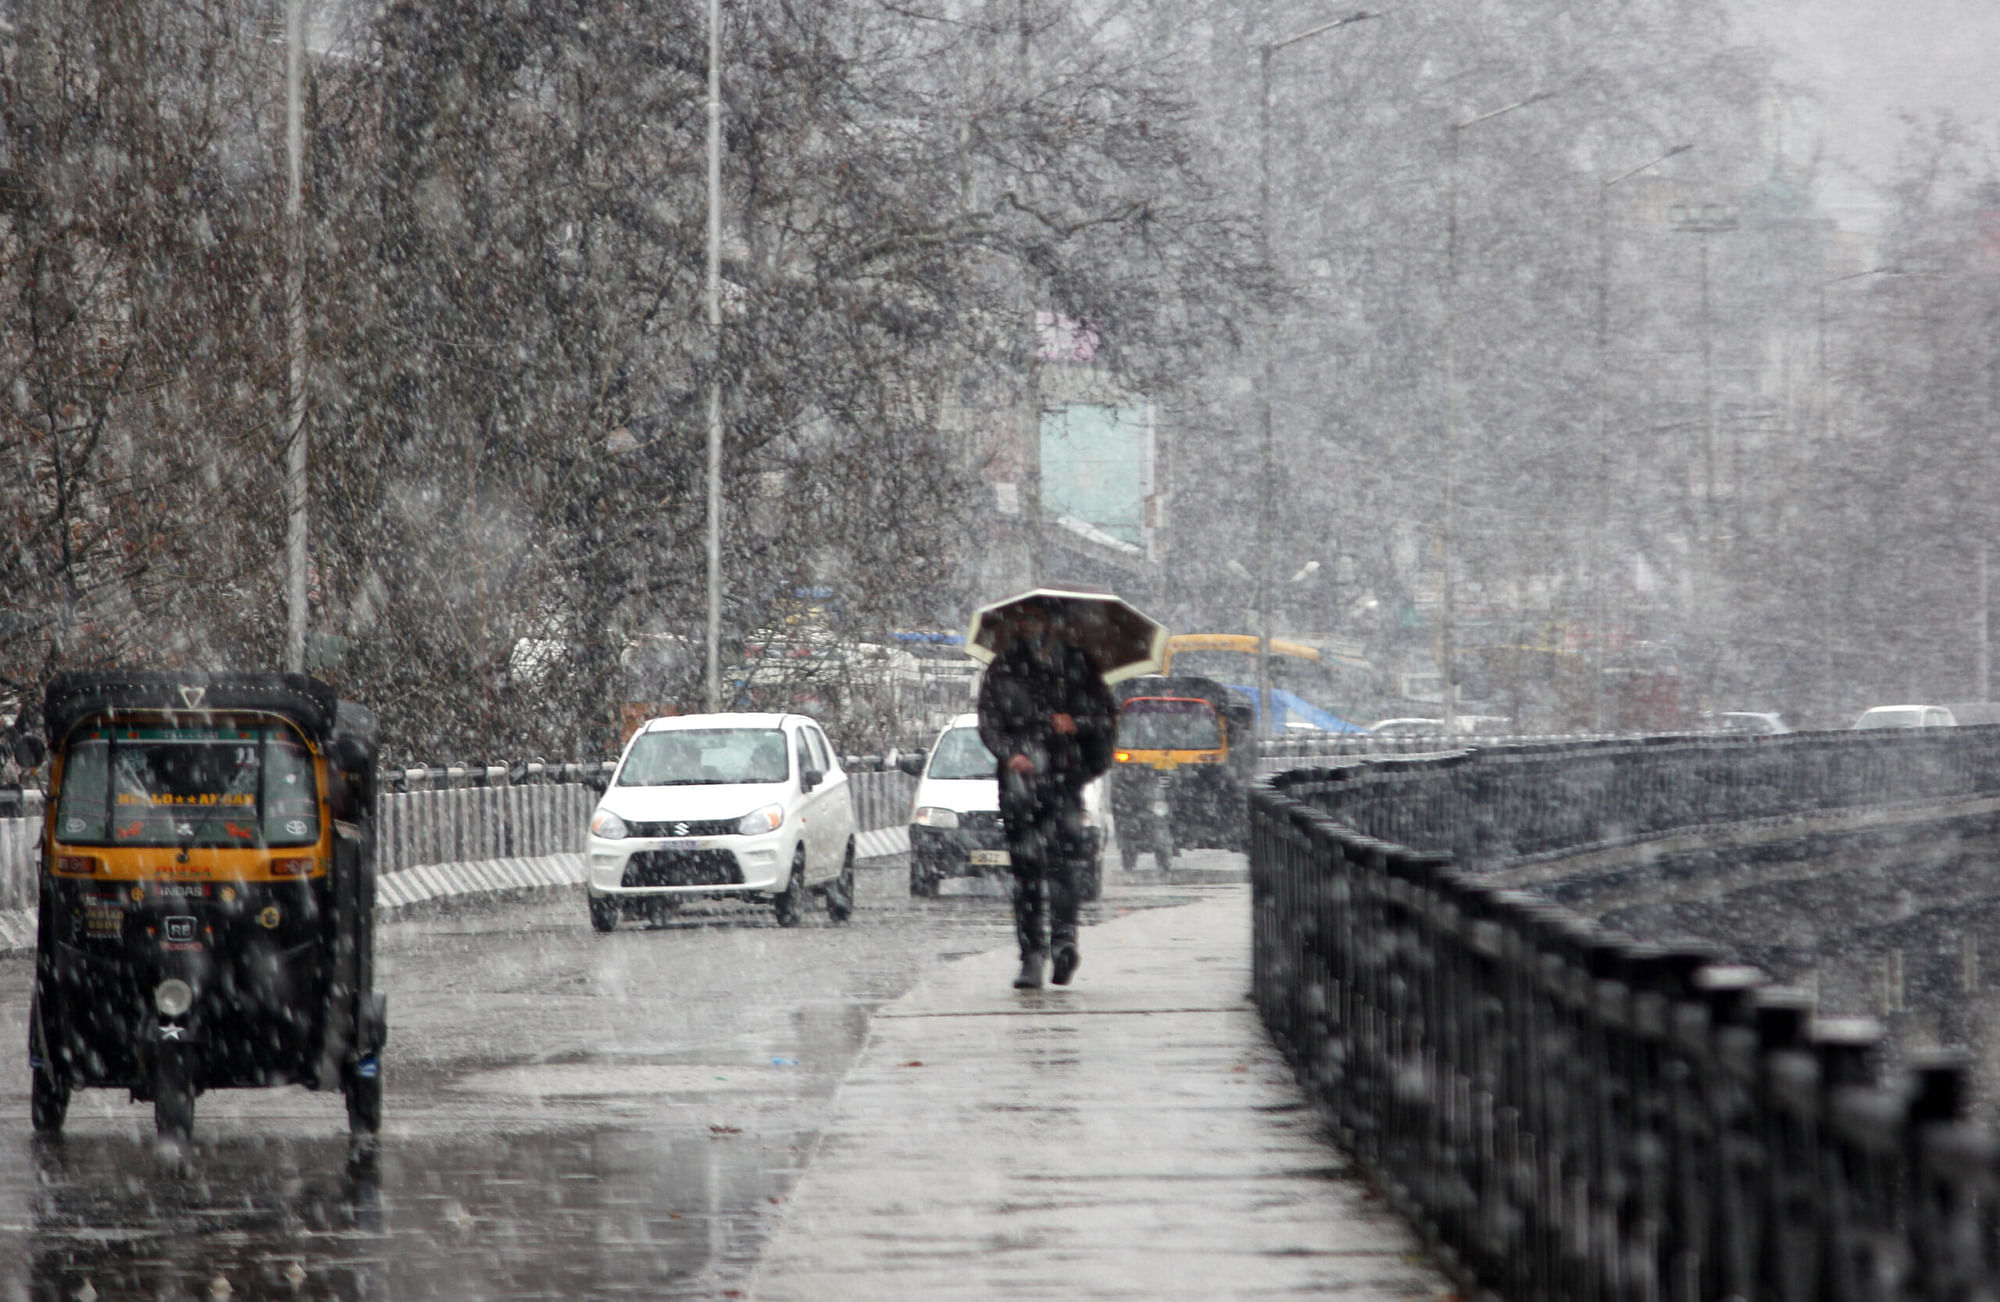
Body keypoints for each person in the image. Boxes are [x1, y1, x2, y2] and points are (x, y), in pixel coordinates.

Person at [976, 602, 1118, 989]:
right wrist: (1011, 754)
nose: (1029, 625)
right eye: (1024, 618)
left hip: (1063, 784)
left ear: (1055, 624)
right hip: (1019, 790)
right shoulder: (1002, 667)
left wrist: (1077, 723)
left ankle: (1063, 943)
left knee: (1063, 868)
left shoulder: (1079, 666)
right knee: (1025, 874)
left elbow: (1106, 722)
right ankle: (1031, 956)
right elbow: (988, 722)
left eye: (1037, 618)